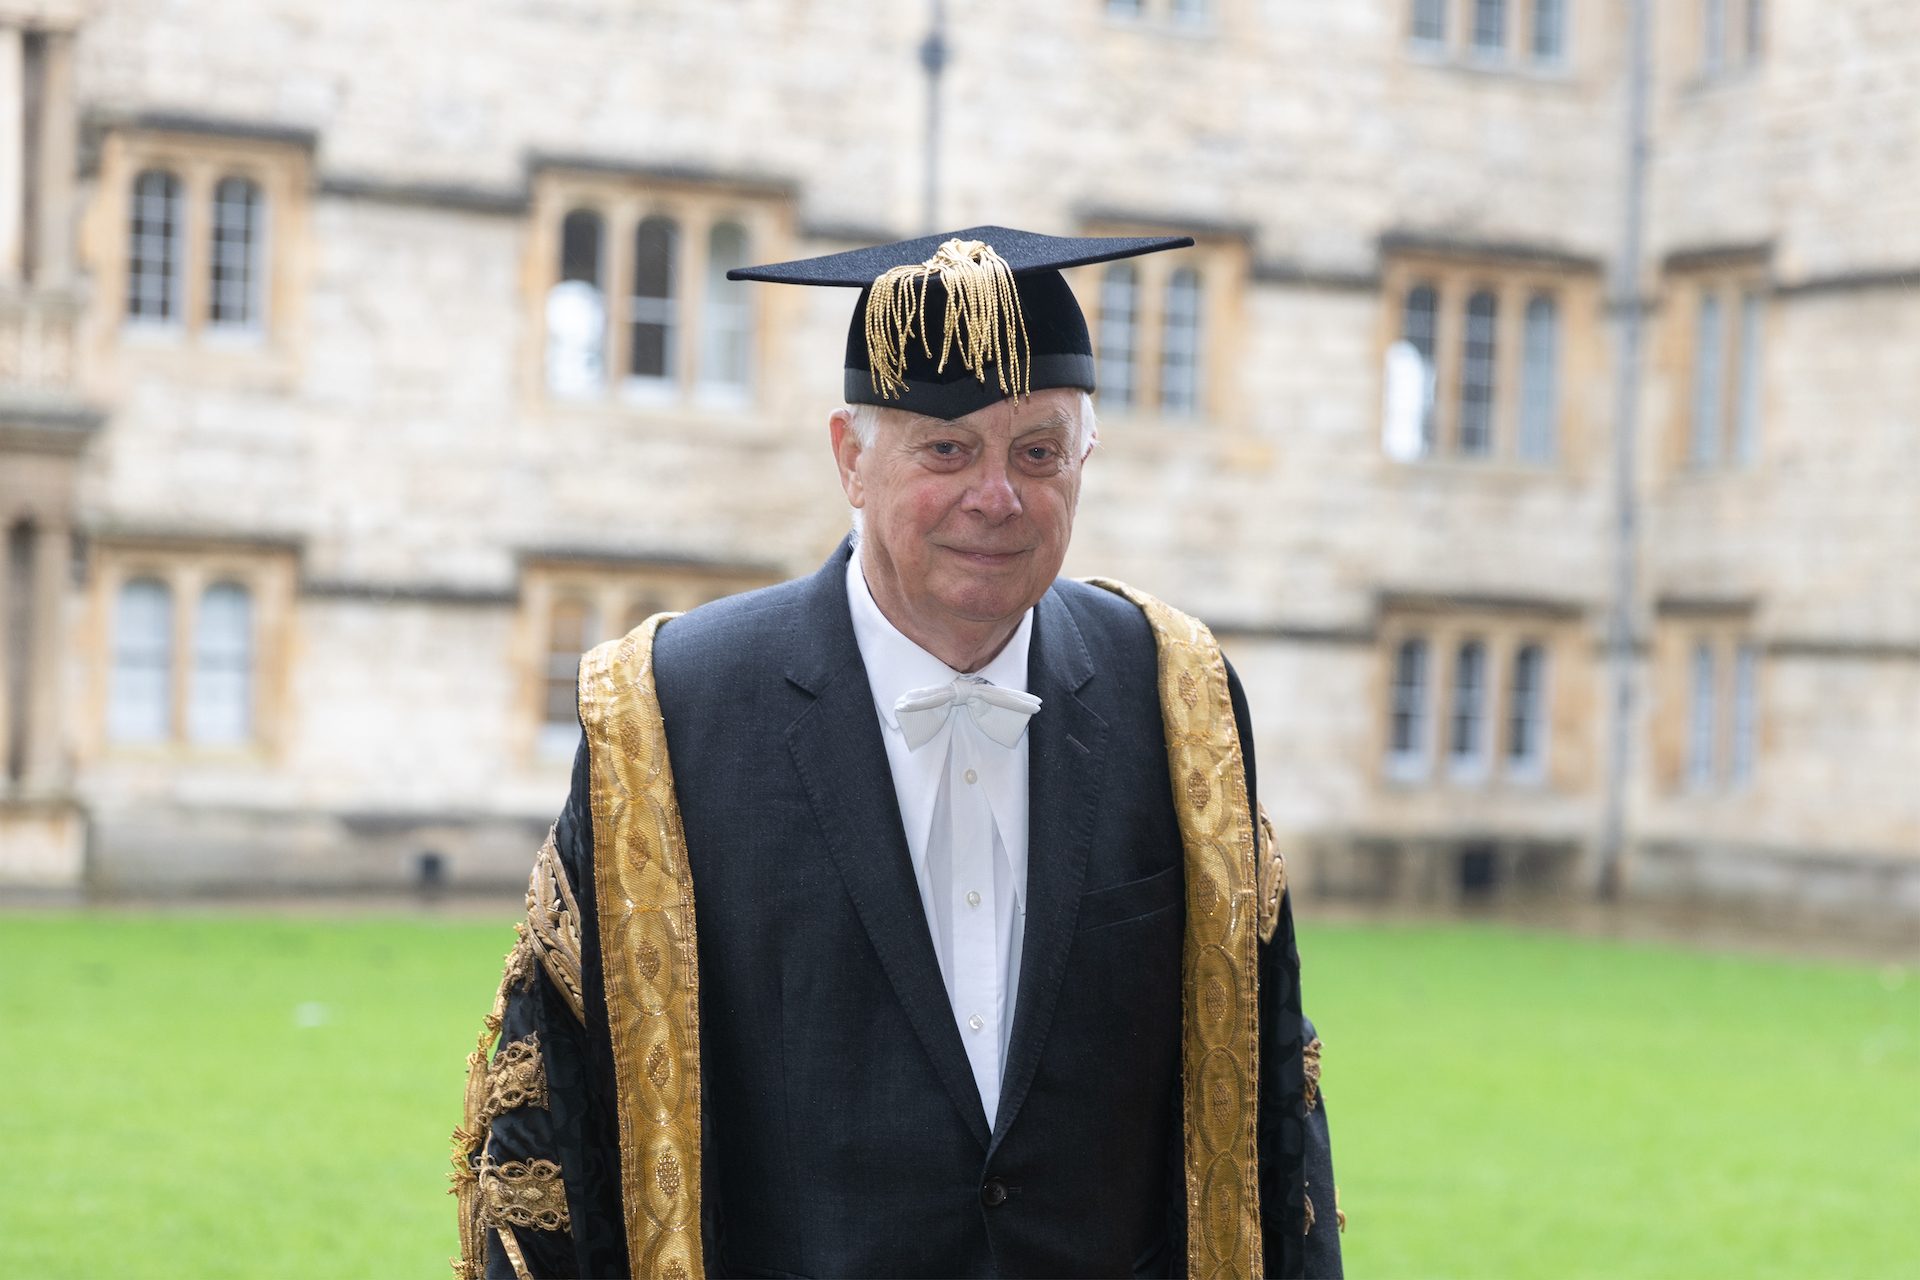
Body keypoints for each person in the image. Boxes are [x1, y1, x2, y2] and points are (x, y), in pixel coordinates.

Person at [450, 227, 1343, 1279]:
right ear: (850, 458)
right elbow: (554, 1121)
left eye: (1039, 451)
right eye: (947, 448)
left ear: (1085, 460)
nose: (997, 496)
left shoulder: (1177, 697)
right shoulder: (672, 713)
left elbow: (1270, 1102)